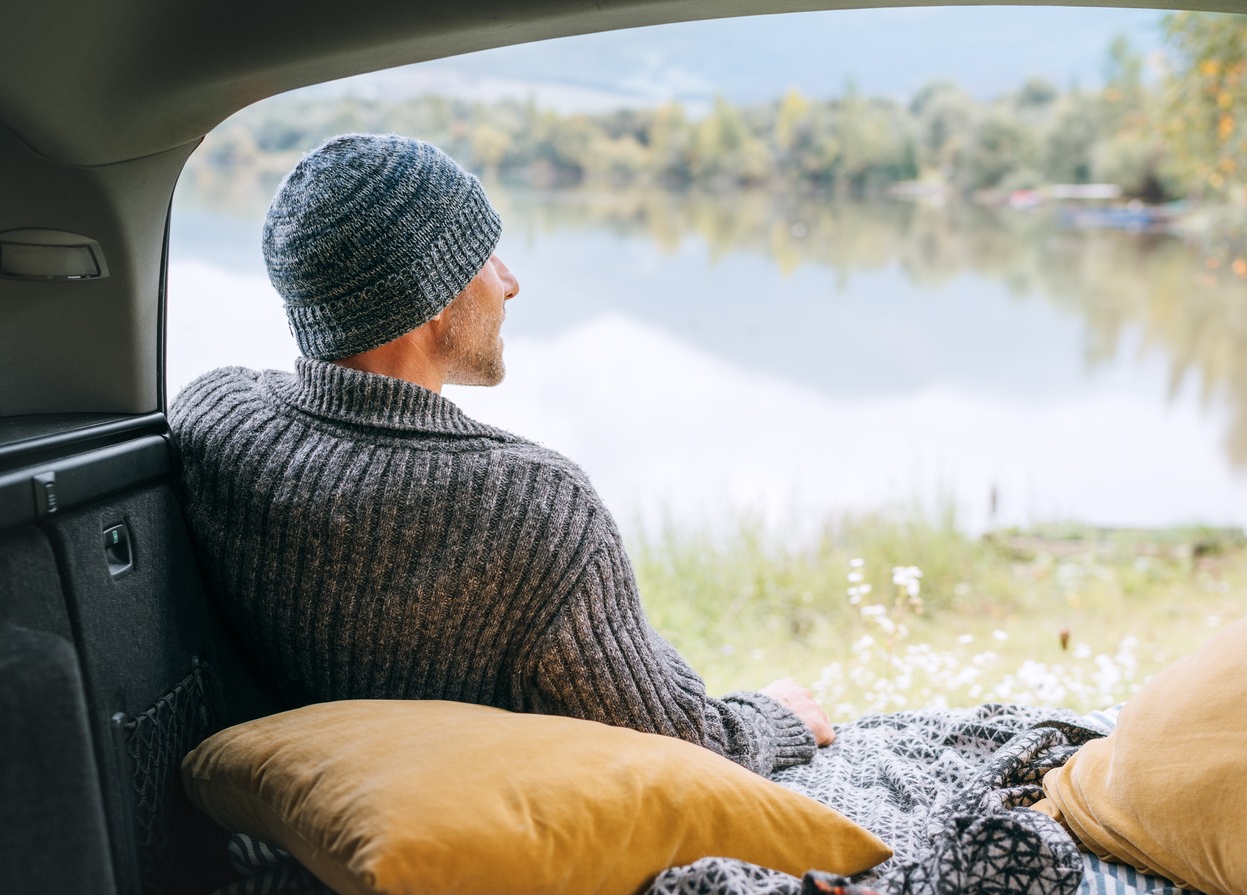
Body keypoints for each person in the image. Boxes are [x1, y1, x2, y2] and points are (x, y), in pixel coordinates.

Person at [171, 134, 832, 776]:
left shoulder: (213, 414)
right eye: (486, 256)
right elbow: (681, 747)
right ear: (429, 294)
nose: (510, 282)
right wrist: (774, 717)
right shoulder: (532, 506)